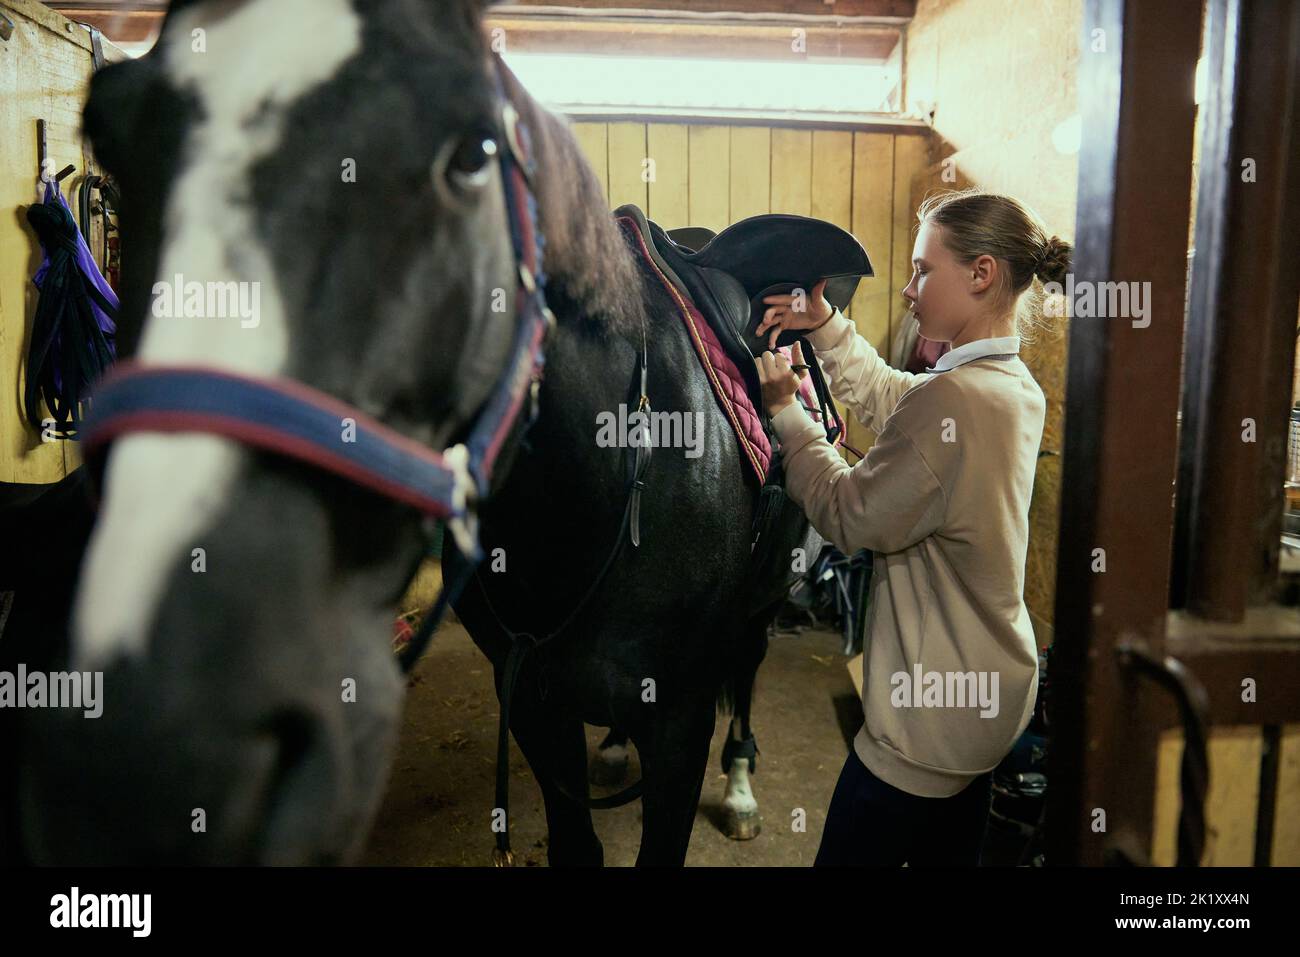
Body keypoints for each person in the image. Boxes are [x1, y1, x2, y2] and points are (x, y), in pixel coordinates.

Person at [753, 189, 1069, 866]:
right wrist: (827, 325)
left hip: (924, 727)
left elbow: (847, 511)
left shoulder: (957, 397)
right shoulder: (1010, 385)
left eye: (924, 269)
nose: (907, 288)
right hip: (985, 704)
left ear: (981, 273)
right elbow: (902, 399)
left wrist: (786, 411)